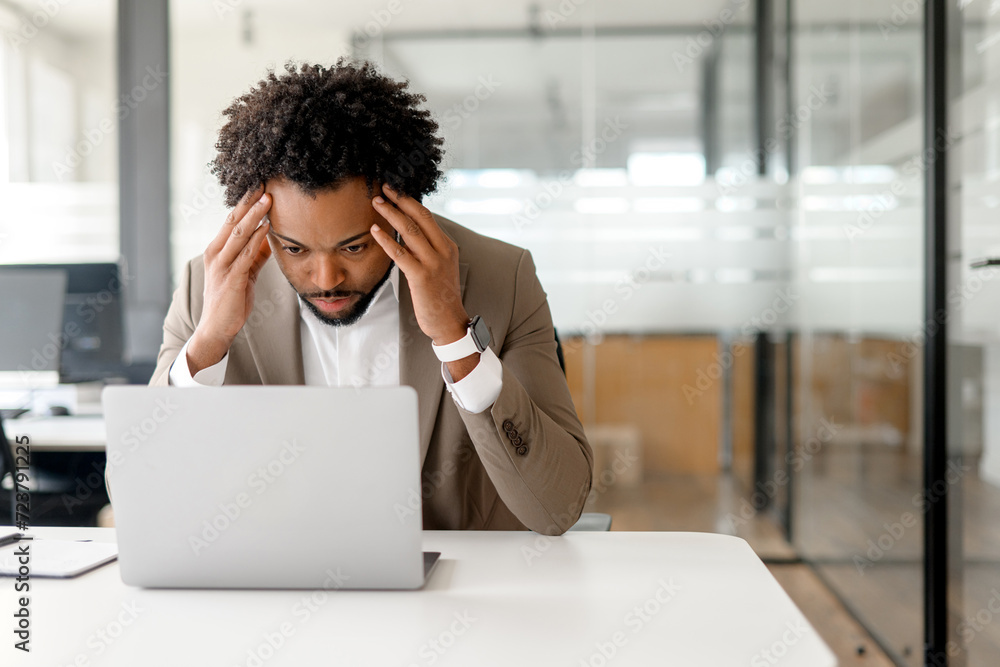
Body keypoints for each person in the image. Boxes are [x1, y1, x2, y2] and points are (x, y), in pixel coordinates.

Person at [150, 60, 592, 535]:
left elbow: (558, 507)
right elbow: (145, 499)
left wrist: (456, 338)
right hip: (272, 591)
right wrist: (209, 343)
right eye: (294, 248)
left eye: (354, 246)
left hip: (453, 595)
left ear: (402, 206)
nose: (326, 277)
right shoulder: (208, 288)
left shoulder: (501, 279)